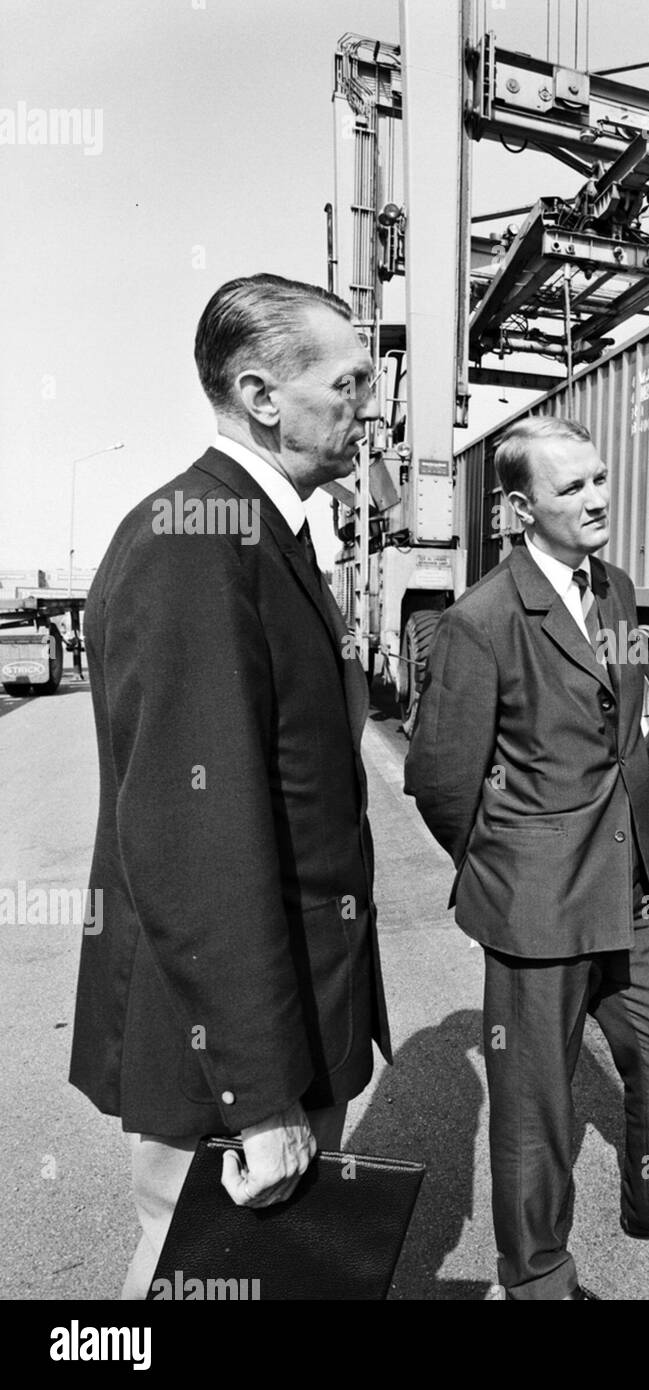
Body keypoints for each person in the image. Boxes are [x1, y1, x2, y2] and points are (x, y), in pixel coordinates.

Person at [70, 273, 392, 1299]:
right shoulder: (194, 545)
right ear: (260, 394)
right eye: (347, 383)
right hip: (227, 1049)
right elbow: (193, 838)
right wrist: (255, 1094)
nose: (367, 405)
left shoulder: (255, 530)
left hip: (284, 1011)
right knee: (198, 1279)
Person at [404, 416, 649, 1301]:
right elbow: (443, 781)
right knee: (535, 1111)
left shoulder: (618, 590)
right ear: (521, 510)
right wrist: (517, 865)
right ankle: (539, 1279)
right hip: (538, 909)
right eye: (571, 488)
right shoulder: (480, 621)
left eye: (600, 480)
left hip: (632, 892)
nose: (597, 499)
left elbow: (623, 725)